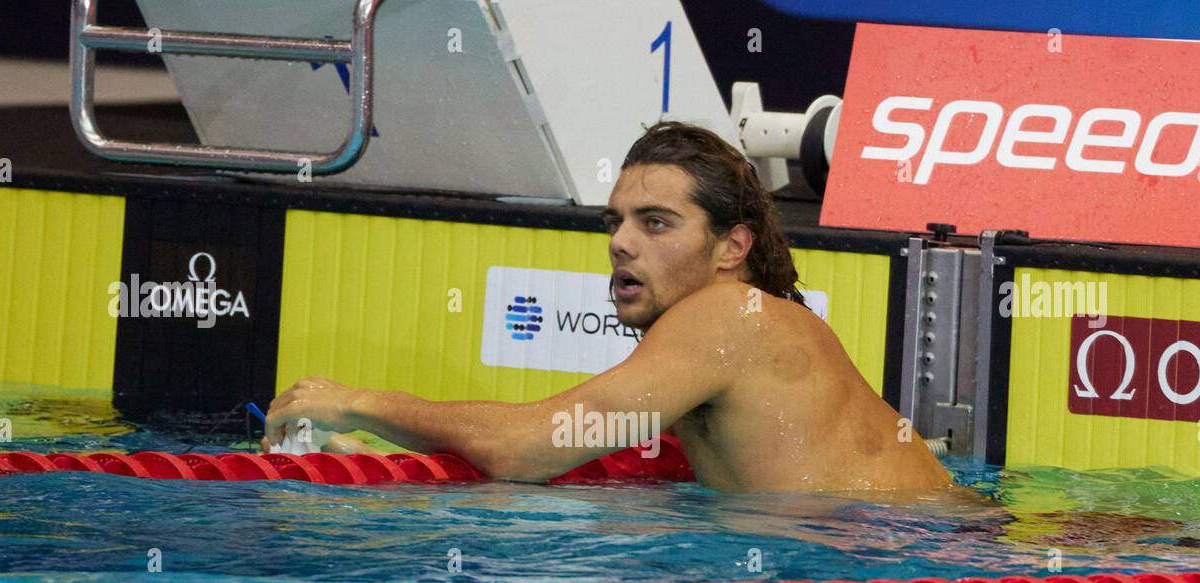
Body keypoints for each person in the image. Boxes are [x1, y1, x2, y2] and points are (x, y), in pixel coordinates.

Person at [265, 121, 951, 493]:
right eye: (615, 222)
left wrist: (353, 402)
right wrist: (375, 467)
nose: (621, 243)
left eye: (655, 223)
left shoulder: (727, 318)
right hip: (897, 560)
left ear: (729, 247)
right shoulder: (741, 330)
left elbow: (526, 447)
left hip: (918, 568)